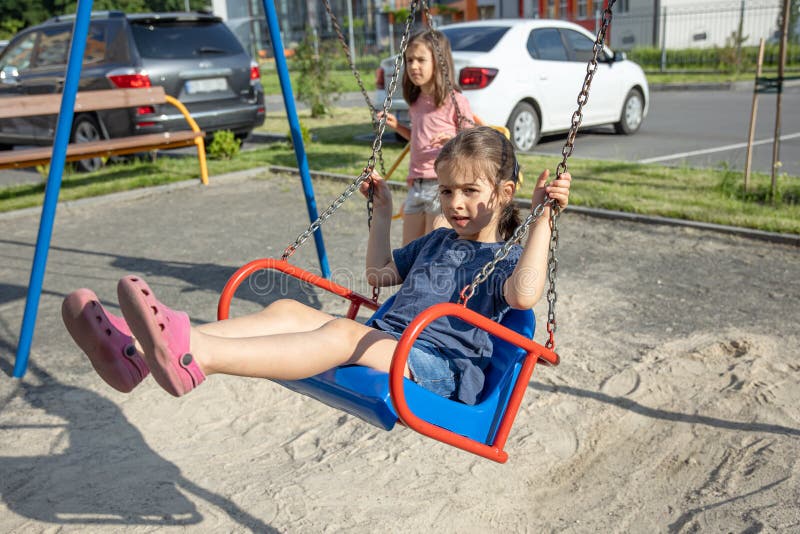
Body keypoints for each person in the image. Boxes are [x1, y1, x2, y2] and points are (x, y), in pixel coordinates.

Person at [62, 127, 571, 406]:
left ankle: (193, 355)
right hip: (392, 342)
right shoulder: (438, 241)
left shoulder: (502, 258)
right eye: (446, 191)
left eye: (469, 191)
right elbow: (378, 276)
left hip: (440, 369)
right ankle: (136, 351)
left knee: (344, 336)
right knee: (287, 308)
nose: (455, 202)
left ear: (504, 195)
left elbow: (525, 297)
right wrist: (383, 212)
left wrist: (544, 215)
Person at [379, 29, 475, 246]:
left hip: (442, 185)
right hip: (416, 184)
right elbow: (419, 139)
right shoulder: (417, 101)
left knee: (434, 250)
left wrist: (451, 140)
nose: (413, 66)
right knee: (409, 250)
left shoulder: (455, 101)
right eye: (409, 60)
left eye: (421, 60)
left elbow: (471, 141)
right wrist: (399, 127)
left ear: (438, 62)